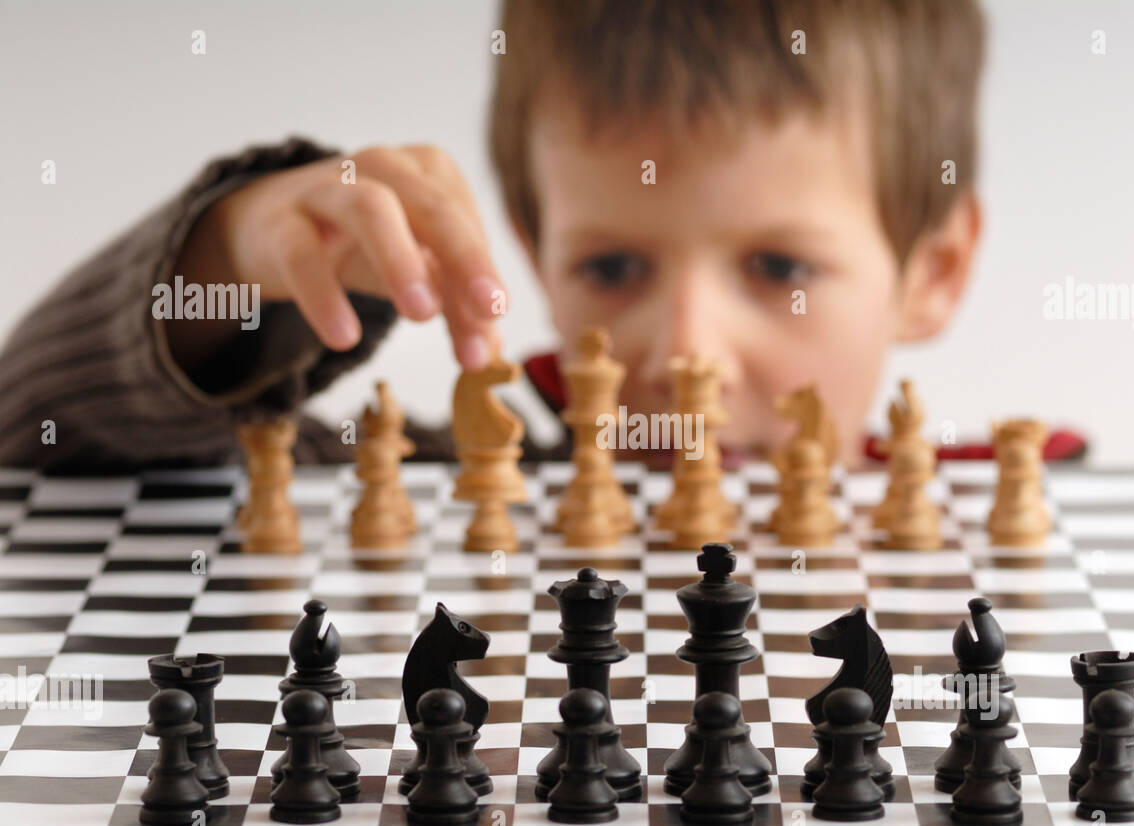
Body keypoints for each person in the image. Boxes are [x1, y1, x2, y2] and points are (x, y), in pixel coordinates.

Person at [0, 0, 1010, 474]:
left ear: (933, 271)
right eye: (610, 265)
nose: (683, 353)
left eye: (779, 266)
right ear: (532, 253)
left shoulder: (1030, 529)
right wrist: (216, 267)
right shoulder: (449, 479)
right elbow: (33, 444)